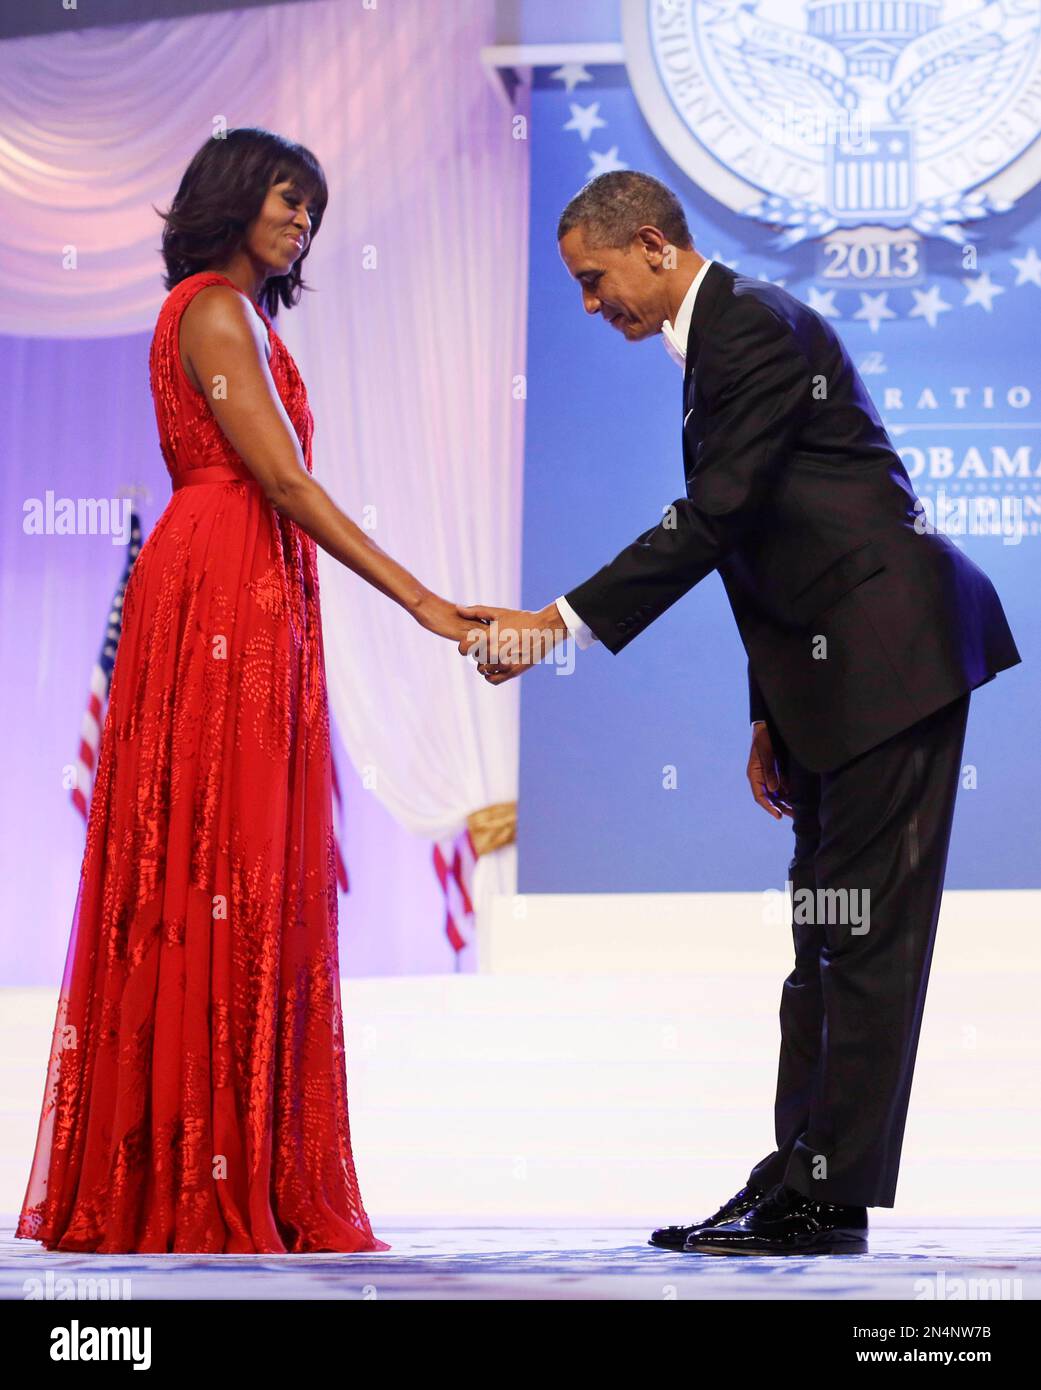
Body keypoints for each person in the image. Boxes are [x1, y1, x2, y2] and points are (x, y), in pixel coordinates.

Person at [458, 170, 1021, 1256]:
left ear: (655, 246)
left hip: (890, 660)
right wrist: (768, 713)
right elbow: (769, 542)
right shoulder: (720, 338)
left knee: (856, 939)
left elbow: (713, 520)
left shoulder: (749, 328)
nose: (590, 305)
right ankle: (801, 1172)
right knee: (824, 934)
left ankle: (826, 1194)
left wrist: (552, 623)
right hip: (839, 674)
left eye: (593, 280)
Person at [16, 128, 472, 1254]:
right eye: (286, 199)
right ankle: (192, 1174)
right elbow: (276, 476)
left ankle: (228, 1160)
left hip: (251, 585)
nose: (302, 222)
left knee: (243, 868)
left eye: (312, 209)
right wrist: (419, 597)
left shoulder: (244, 316)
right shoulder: (212, 308)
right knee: (222, 860)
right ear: (232, 200)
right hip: (222, 577)